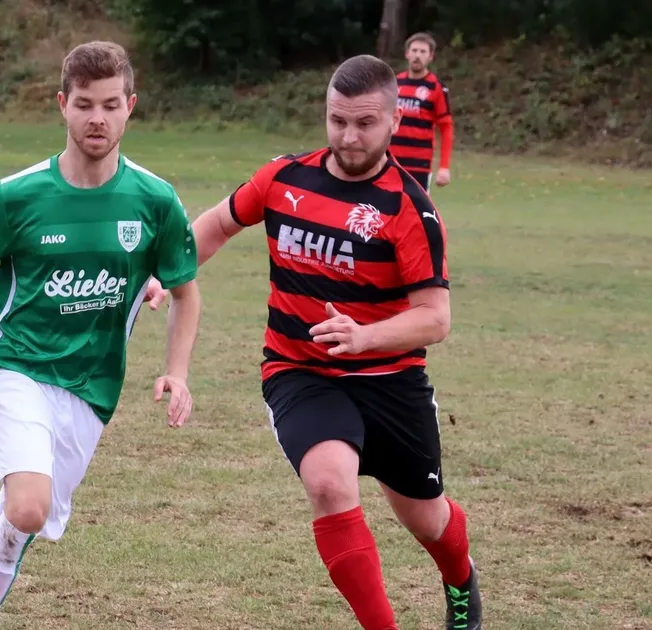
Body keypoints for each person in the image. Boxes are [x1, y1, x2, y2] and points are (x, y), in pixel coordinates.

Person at [147, 54, 481, 630]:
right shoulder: (283, 178)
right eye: (337, 120)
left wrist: (365, 335)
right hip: (299, 370)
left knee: (426, 521)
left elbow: (435, 319)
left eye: (365, 123)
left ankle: (461, 580)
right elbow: (219, 224)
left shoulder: (411, 210)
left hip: (390, 381)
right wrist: (167, 272)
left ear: (394, 120)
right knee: (329, 484)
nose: (349, 136)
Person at [0, 40, 202, 630]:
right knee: (29, 507)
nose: (98, 118)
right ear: (62, 105)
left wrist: (177, 370)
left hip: (93, 387)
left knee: (17, 527)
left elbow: (185, 291)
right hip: (15, 367)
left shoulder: (155, 200)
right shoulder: (18, 195)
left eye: (111, 105)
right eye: (85, 104)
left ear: (131, 107)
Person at [389, 32, 454, 191]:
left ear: (430, 57)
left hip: (419, 165)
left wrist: (444, 167)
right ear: (407, 53)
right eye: (414, 50)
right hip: (390, 162)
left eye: (423, 52)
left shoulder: (436, 87)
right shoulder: (394, 83)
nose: (417, 55)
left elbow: (446, 127)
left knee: (415, 213)